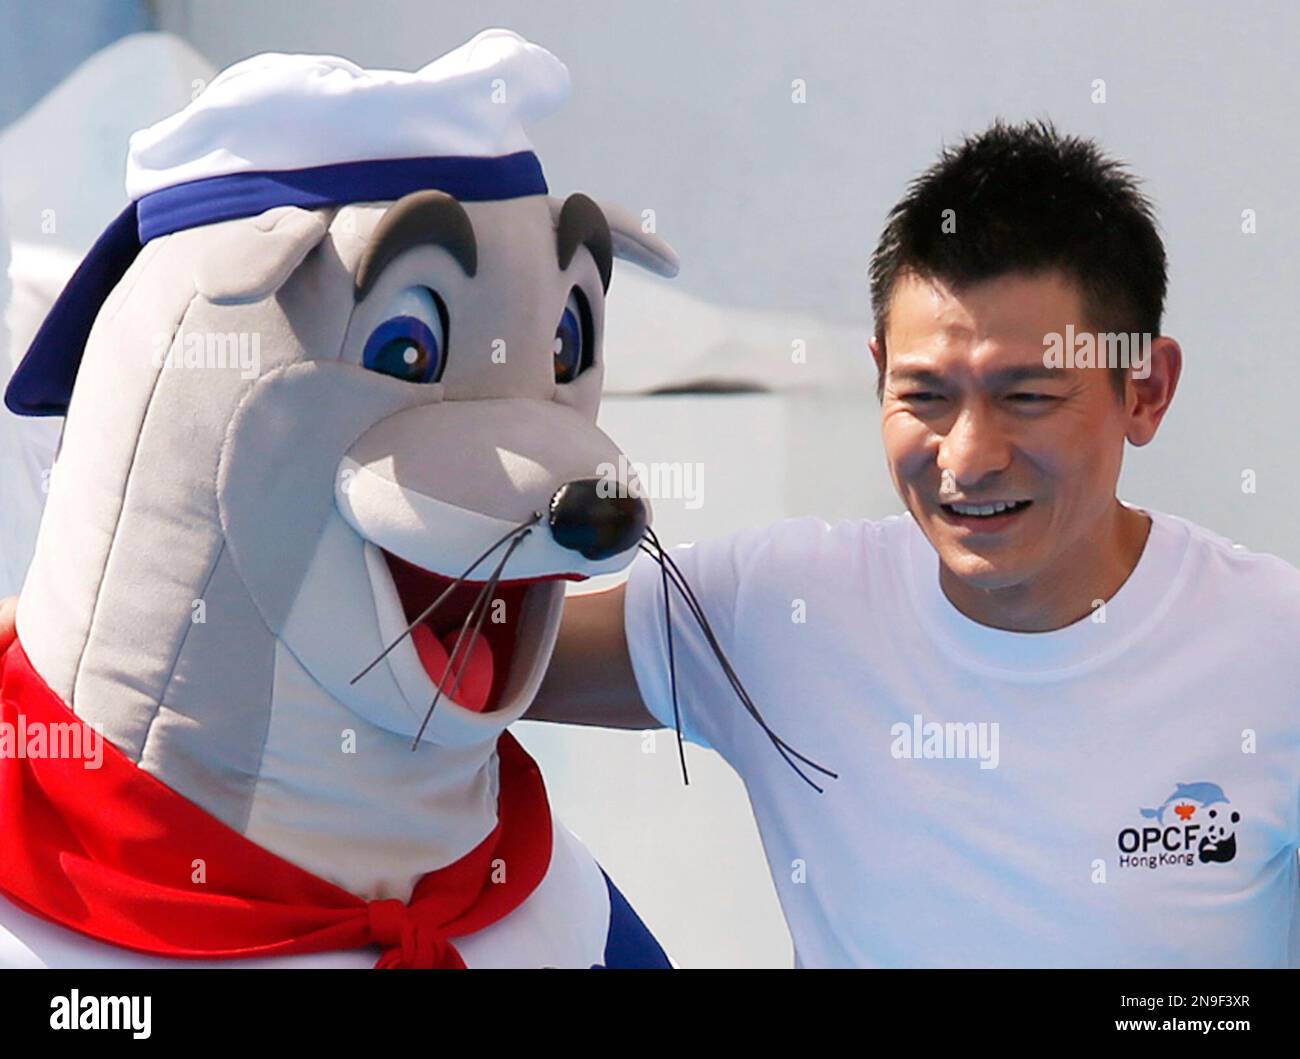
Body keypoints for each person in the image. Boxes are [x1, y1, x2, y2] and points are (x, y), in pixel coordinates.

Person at [4, 120, 1299, 967]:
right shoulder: (788, 610)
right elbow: (421, 670)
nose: (966, 458)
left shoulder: (1274, 652)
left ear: (1146, 387)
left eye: (1027, 396)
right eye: (924, 395)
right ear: (875, 380)